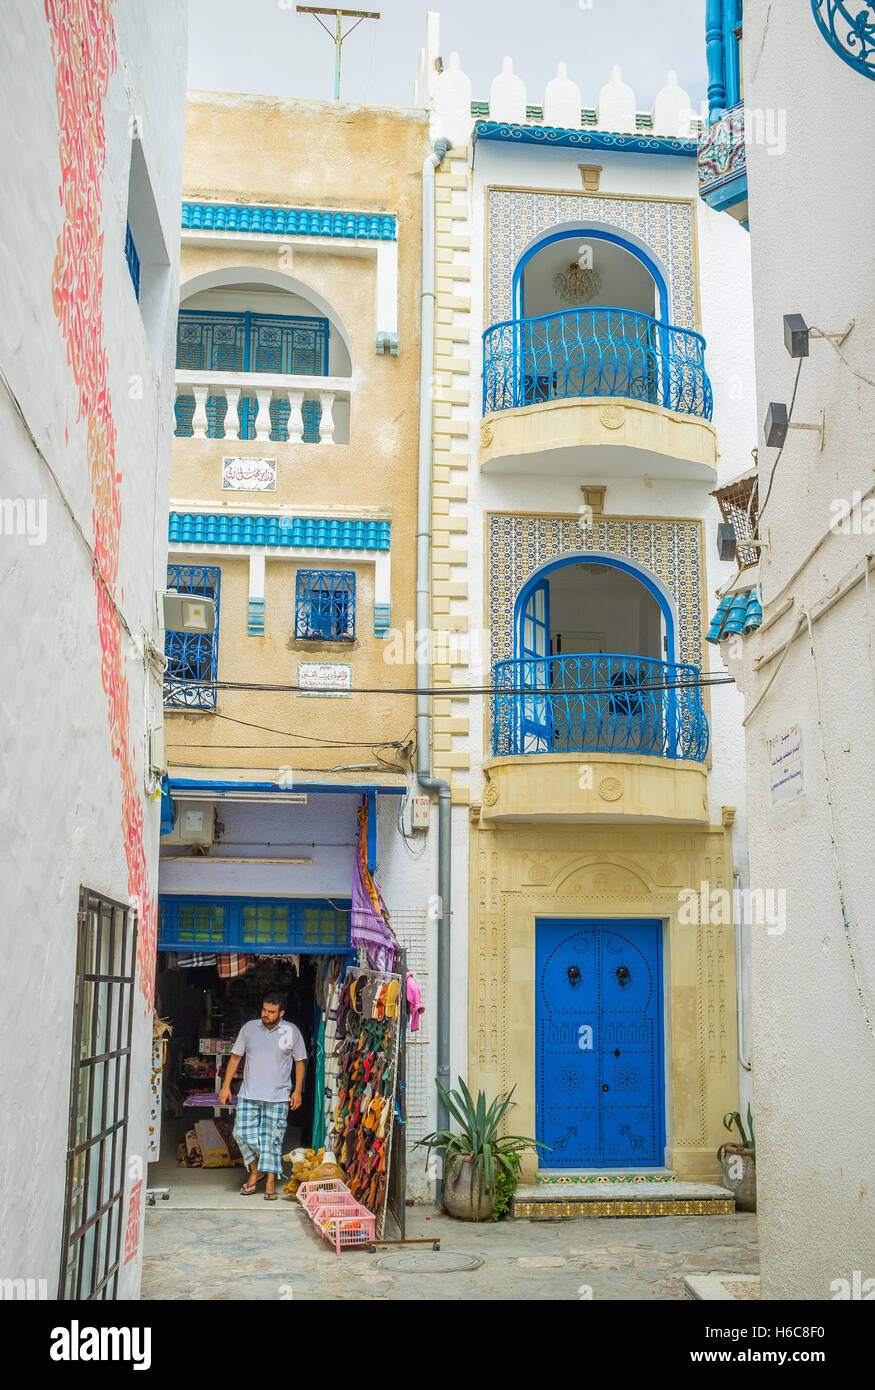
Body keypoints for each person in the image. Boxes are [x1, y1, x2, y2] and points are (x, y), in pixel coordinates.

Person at [219, 992, 307, 1200]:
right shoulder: (249, 1028)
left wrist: (297, 1091)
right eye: (264, 1010)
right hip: (249, 1093)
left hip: (278, 1096)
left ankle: (268, 1182)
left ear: (281, 1013)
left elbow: (300, 1062)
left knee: (272, 1140)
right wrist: (225, 1086)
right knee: (240, 1132)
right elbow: (235, 1058)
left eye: (271, 1012)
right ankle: (256, 1169)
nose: (266, 1014)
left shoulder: (291, 1031)